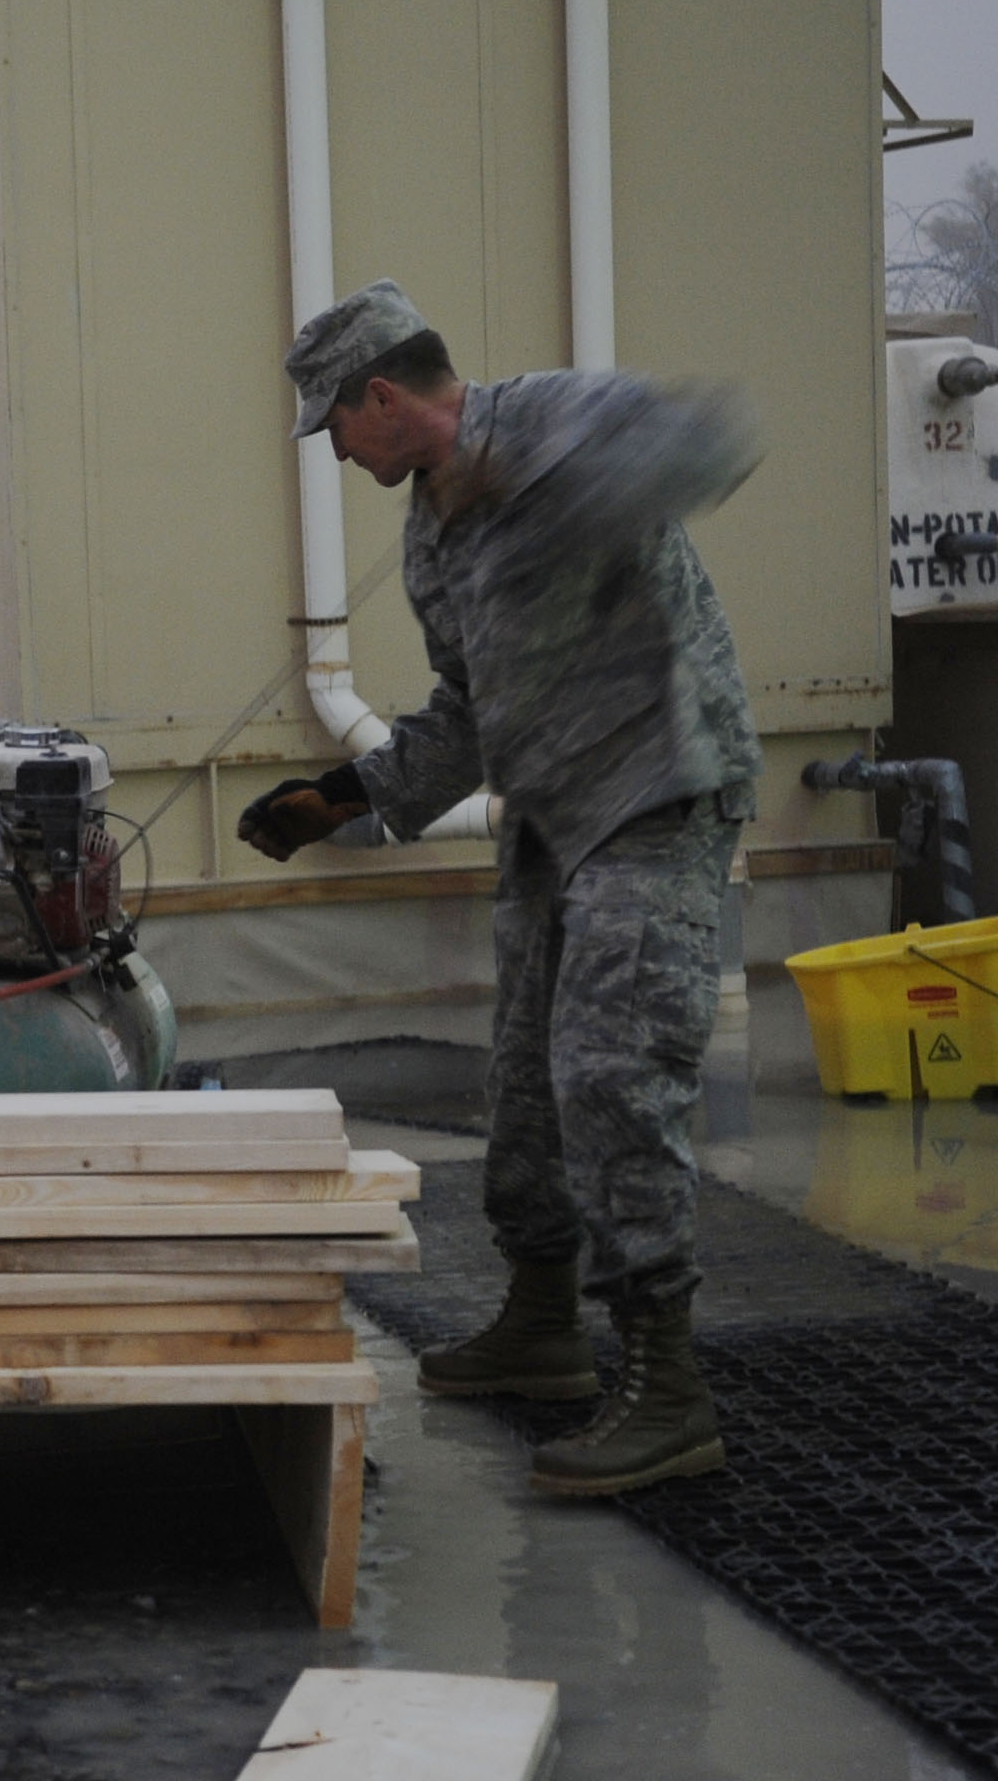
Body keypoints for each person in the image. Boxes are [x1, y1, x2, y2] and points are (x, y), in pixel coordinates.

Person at [242, 280, 763, 1497]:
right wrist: (348, 797)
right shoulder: (428, 525)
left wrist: (540, 492)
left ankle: (669, 1387)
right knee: (525, 1085)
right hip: (549, 815)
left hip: (654, 793)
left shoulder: (556, 422)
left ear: (382, 397)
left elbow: (712, 439)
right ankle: (542, 1327)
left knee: (611, 1077)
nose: (336, 450)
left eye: (336, 426)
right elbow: (469, 709)